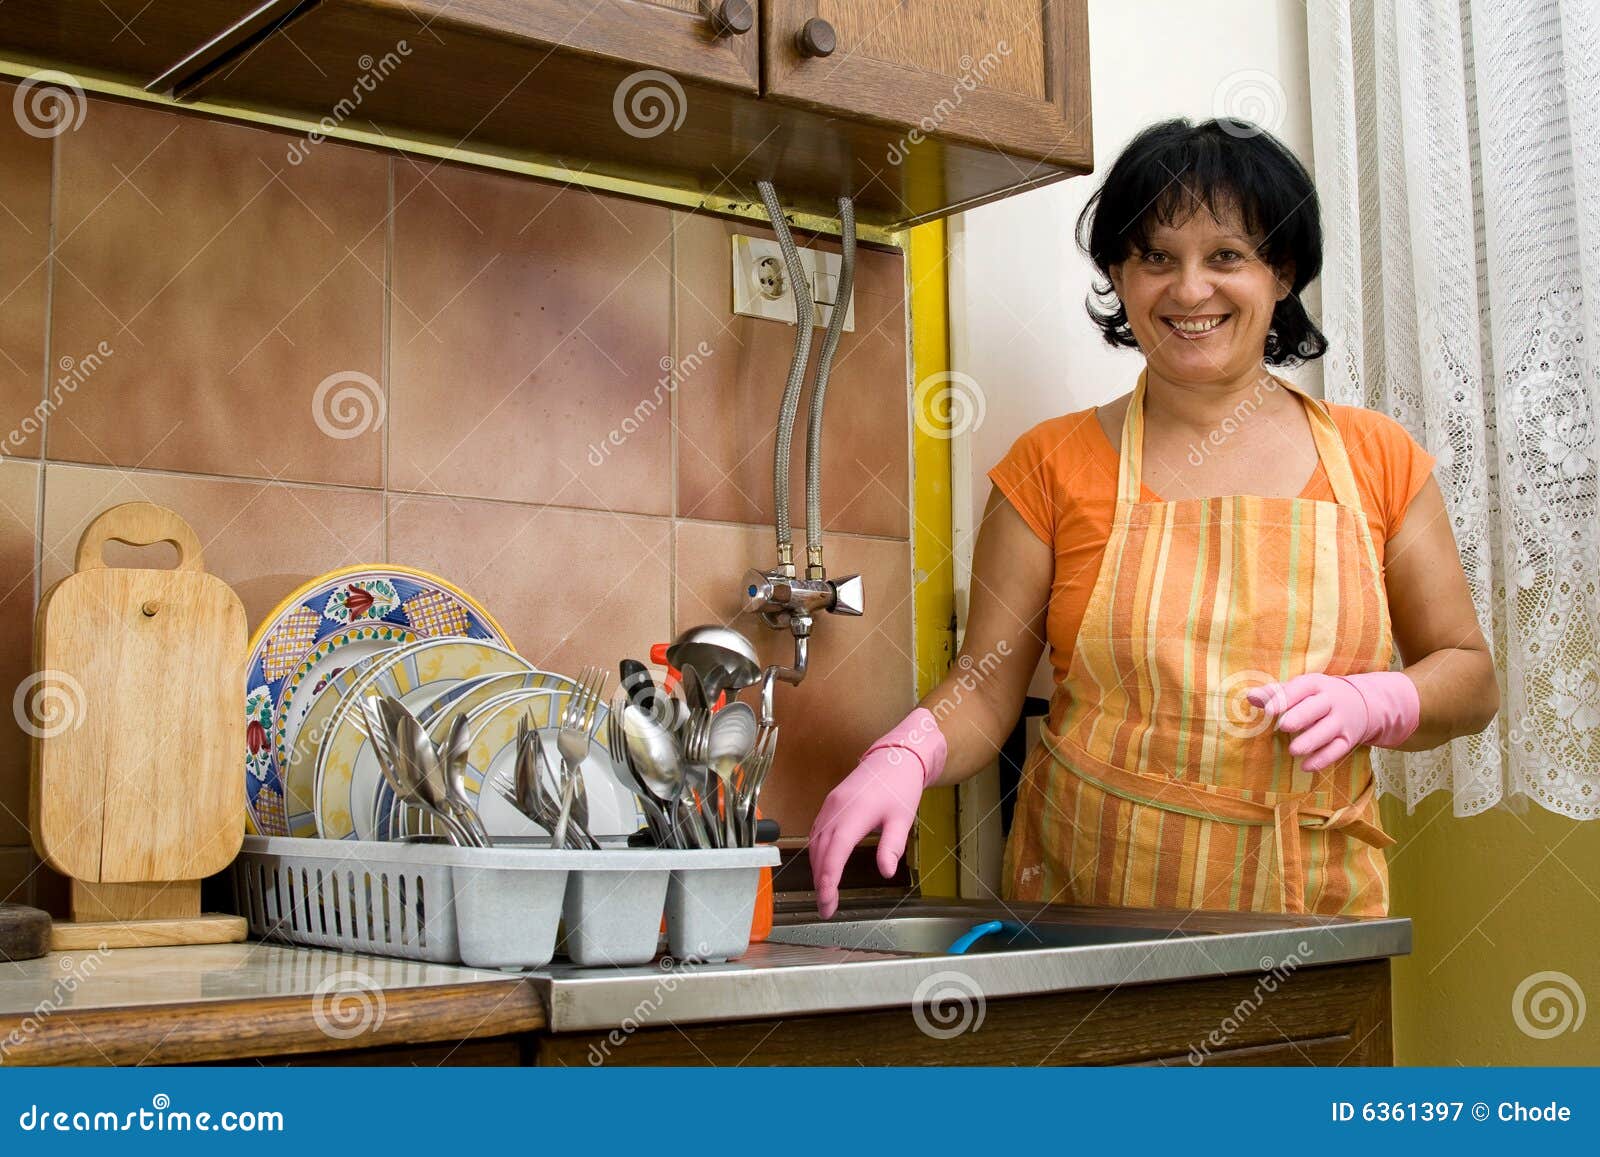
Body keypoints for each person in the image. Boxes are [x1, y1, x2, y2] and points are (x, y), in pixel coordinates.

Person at [809, 118, 1498, 920]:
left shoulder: (1379, 458)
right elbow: (986, 687)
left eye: (1227, 256)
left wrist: (1383, 702)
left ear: (1281, 271)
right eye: (1156, 257)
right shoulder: (1050, 464)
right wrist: (907, 751)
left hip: (1312, 919)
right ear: (1120, 276)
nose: (1189, 289)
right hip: (1095, 915)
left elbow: (1469, 675)